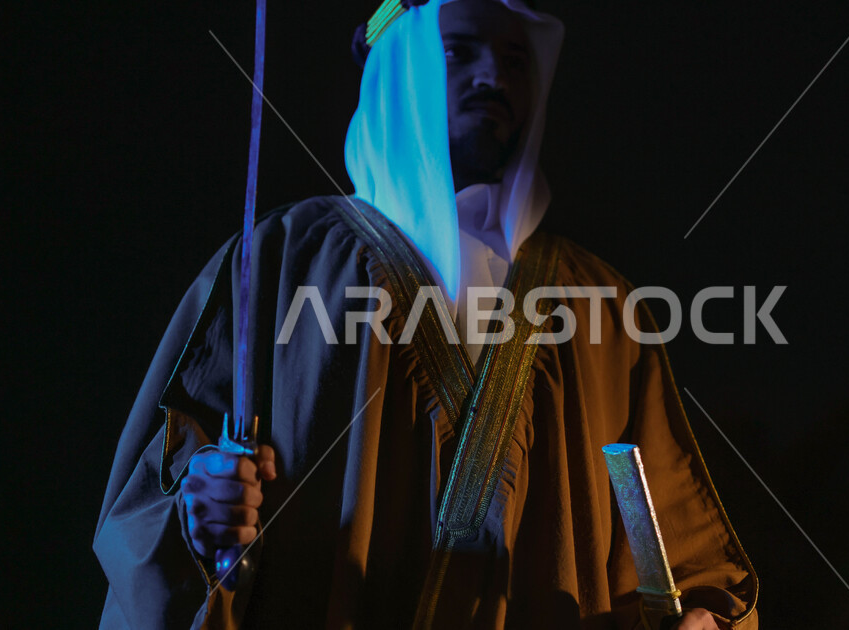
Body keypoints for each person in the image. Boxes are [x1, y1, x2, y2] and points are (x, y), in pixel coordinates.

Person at [93, 1, 759, 628]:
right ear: (401, 67)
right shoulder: (279, 260)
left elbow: (692, 566)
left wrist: (705, 616)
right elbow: (156, 506)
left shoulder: (607, 308)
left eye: (516, 58)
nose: (493, 76)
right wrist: (202, 514)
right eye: (458, 51)